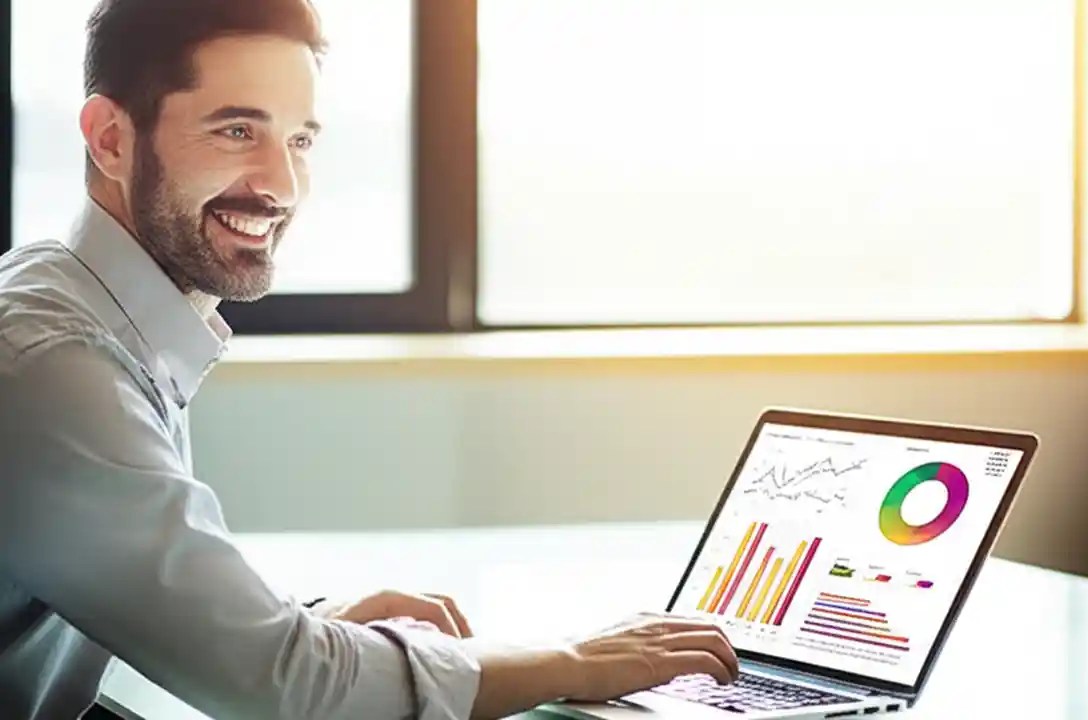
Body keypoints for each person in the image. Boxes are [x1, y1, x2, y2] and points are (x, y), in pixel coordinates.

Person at [0, 1, 738, 718]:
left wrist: (303, 629)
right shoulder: (57, 365)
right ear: (110, 139)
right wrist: (570, 663)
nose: (281, 186)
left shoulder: (66, 295)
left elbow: (124, 595)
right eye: (235, 130)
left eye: (300, 141)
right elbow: (287, 691)